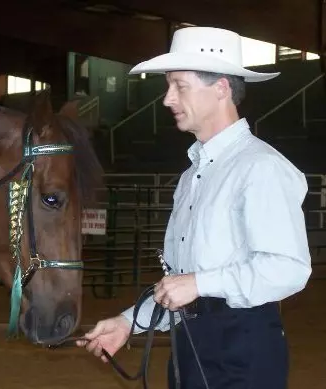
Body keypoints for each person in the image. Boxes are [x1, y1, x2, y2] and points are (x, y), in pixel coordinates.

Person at [76, 26, 312, 389]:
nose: (167, 99)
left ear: (220, 88)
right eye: (169, 86)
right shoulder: (192, 177)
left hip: (242, 352)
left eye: (179, 86)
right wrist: (128, 322)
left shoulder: (260, 167)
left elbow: (288, 268)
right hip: (189, 346)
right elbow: (181, 282)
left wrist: (200, 283)